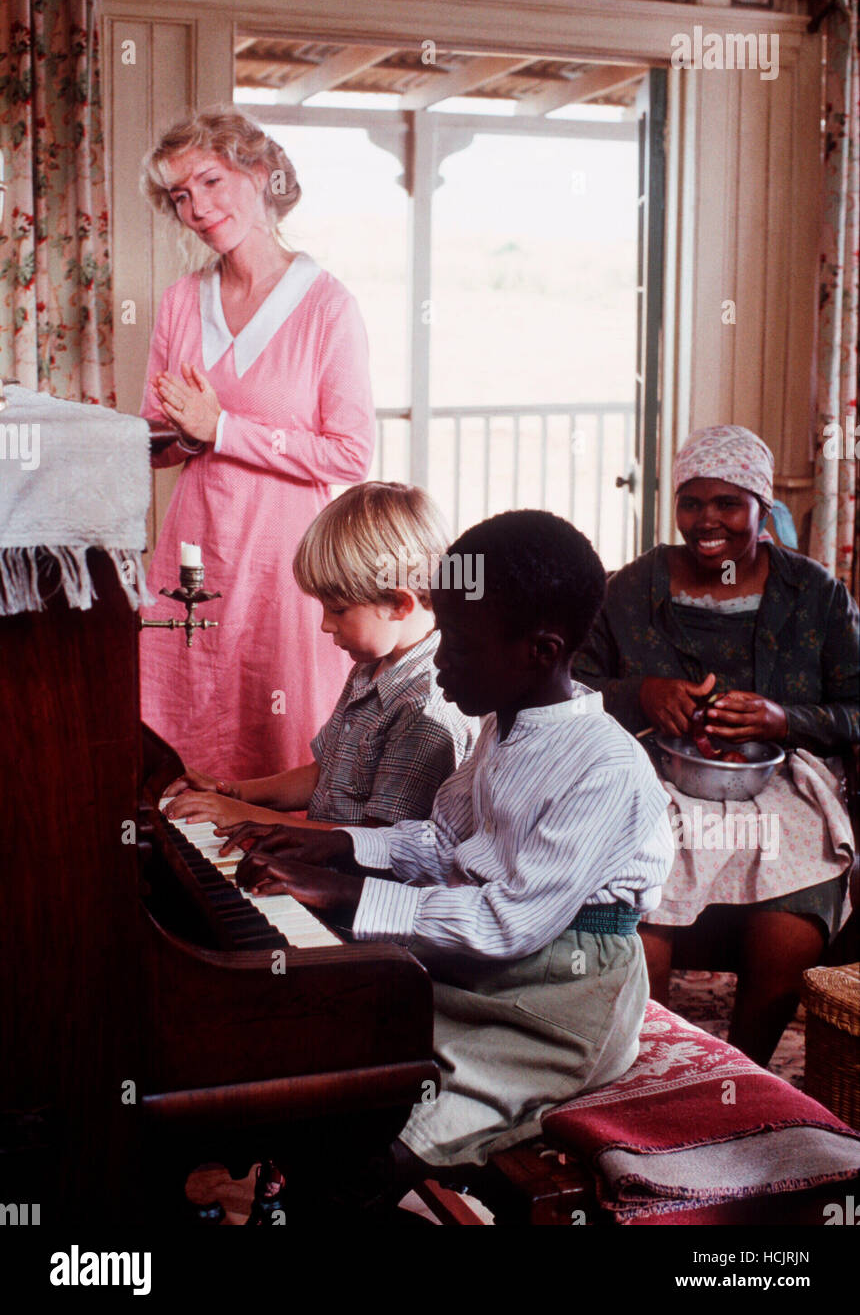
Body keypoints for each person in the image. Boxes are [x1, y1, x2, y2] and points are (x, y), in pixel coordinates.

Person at [224, 510, 674, 1197]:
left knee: (390, 1143)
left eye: (459, 644)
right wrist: (331, 846)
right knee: (332, 1057)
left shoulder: (604, 764)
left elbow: (508, 921)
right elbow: (438, 842)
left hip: (561, 1001)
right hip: (487, 969)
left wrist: (344, 892)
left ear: (541, 651)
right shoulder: (504, 725)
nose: (438, 660)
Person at [572, 424, 859, 1066]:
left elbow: (856, 709)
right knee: (642, 892)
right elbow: (570, 687)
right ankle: (656, 1063)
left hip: (783, 785)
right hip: (656, 779)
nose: (708, 521)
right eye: (691, 502)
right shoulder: (630, 589)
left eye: (728, 503)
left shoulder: (816, 596)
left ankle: (745, 1072)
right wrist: (639, 693)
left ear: (761, 507)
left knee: (790, 917)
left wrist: (784, 718)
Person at [139, 106, 375, 779]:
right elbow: (158, 444)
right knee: (187, 726)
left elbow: (350, 454)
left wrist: (225, 430)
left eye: (211, 182)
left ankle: (278, 876)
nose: (197, 207)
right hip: (195, 548)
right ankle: (190, 872)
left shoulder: (328, 305)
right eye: (181, 196)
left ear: (263, 176)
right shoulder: (182, 301)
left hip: (284, 557)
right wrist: (184, 437)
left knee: (280, 733)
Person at [161, 481, 476, 831]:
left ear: (400, 604)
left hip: (357, 882)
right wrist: (232, 792)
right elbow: (322, 777)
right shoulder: (370, 668)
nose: (325, 625)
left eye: (338, 610)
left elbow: (379, 845)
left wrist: (246, 817)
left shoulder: (424, 708)